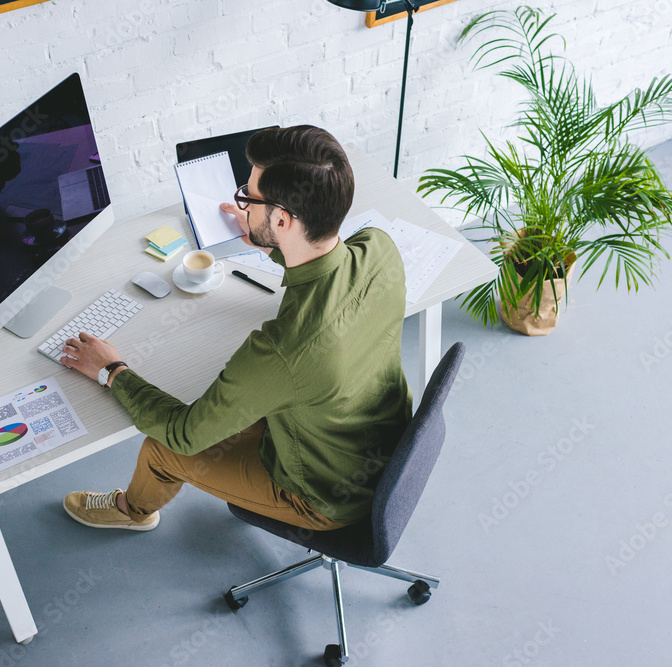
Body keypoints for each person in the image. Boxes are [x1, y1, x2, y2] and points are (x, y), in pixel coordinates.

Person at [60, 125, 412, 532]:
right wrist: (268, 240)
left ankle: (131, 511)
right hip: (378, 443)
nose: (240, 202)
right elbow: (323, 272)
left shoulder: (281, 352)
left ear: (282, 219)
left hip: (323, 494)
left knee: (161, 450)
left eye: (247, 195)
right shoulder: (379, 247)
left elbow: (184, 435)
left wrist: (111, 370)